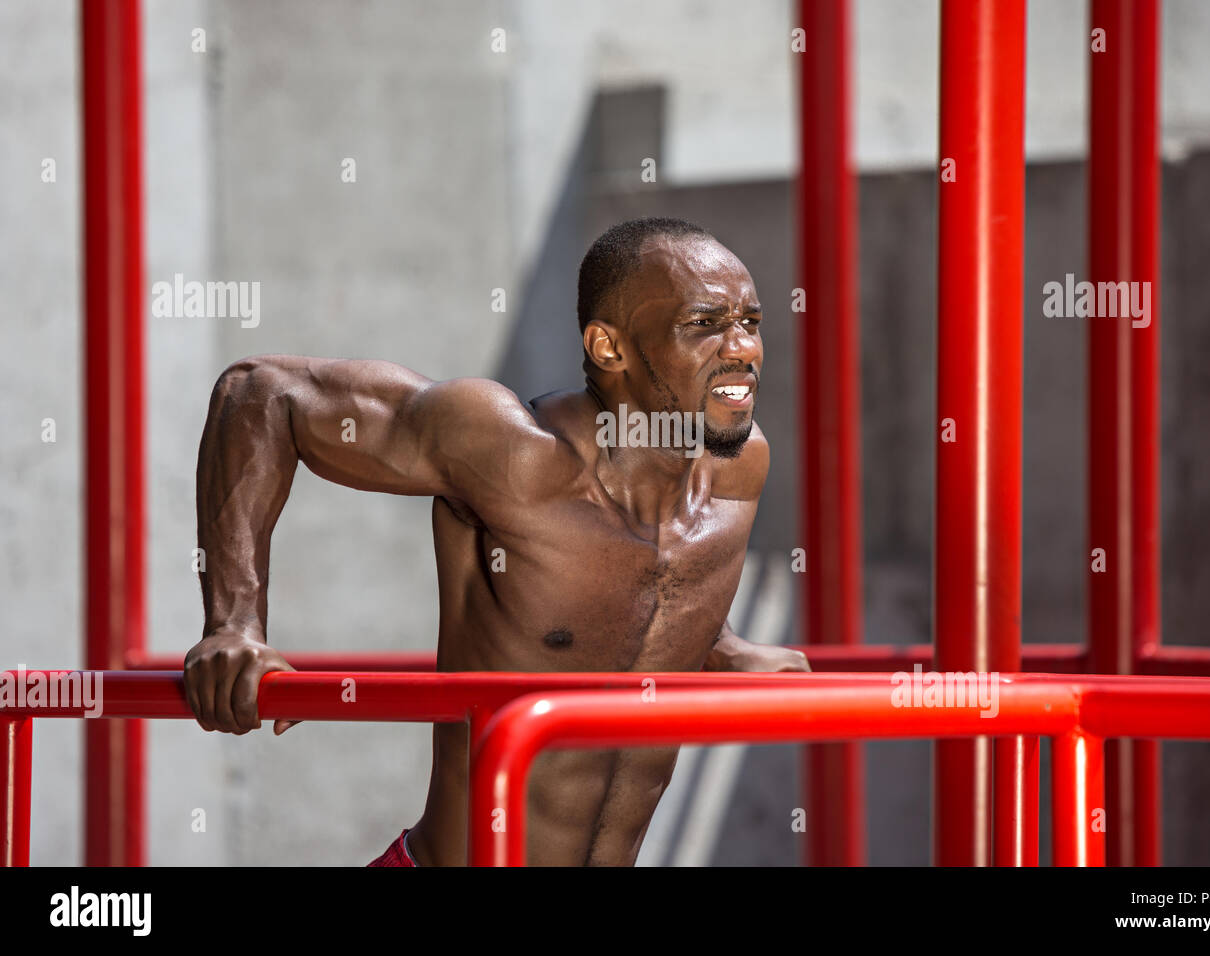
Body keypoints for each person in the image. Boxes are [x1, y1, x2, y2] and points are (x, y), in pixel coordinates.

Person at [182, 216, 809, 866]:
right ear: (609, 348)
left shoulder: (737, 468)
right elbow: (261, 393)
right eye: (705, 324)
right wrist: (235, 624)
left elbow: (655, 568)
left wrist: (720, 645)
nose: (742, 349)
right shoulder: (518, 458)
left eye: (751, 322)